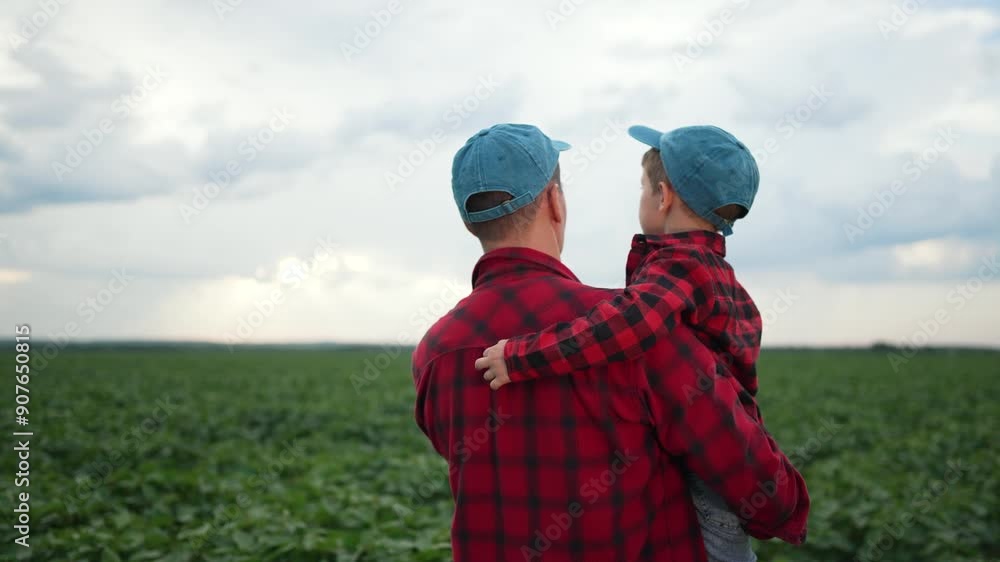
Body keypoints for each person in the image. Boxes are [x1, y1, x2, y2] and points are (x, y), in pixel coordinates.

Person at [412, 122, 809, 561]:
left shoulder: (435, 353)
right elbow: (741, 463)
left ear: (470, 223)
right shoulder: (640, 331)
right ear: (555, 203)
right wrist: (785, 508)